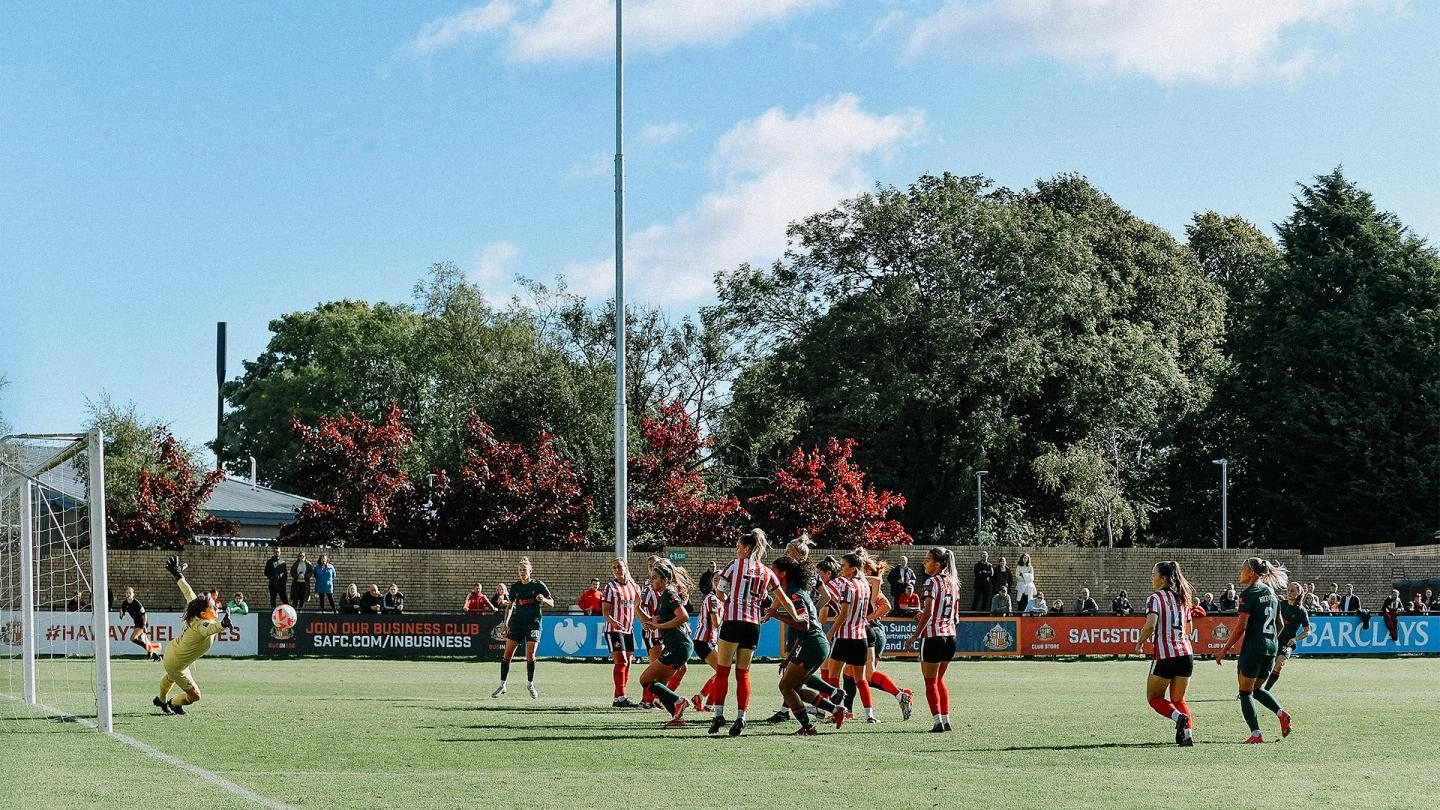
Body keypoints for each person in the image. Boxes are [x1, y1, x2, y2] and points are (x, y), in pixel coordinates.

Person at [707, 529, 801, 737]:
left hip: (733, 621)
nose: (736, 550)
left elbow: (720, 592)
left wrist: (730, 602)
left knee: (722, 671)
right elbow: (783, 598)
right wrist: (796, 617)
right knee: (743, 673)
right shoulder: (766, 571)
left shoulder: (734, 565)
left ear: (747, 549)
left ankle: (719, 714)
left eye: (739, 547)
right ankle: (741, 716)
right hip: (752, 625)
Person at [1215, 557, 1293, 743]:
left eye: (1243, 569)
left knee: (1245, 692)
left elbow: (1241, 626)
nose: (1240, 572)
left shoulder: (1249, 593)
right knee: (1256, 688)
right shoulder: (1272, 593)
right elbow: (1280, 624)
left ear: (1251, 573)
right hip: (1271, 648)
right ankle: (1282, 714)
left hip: (1253, 648)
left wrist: (1224, 649)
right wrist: (1269, 640)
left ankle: (1256, 734)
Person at [769, 554, 844, 736]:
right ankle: (835, 709)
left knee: (786, 687)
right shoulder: (794, 591)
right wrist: (788, 658)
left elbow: (804, 625)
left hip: (813, 644)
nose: (771, 574)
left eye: (773, 570)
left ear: (783, 574)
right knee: (795, 688)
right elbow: (801, 631)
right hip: (813, 643)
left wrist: (776, 615)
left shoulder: (794, 594)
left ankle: (808, 727)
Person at [154, 556, 232, 716]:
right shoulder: (202, 625)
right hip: (176, 663)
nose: (216, 608)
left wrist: (178, 574)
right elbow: (211, 629)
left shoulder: (196, 607)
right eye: (213, 607)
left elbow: (187, 591)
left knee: (171, 676)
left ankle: (161, 700)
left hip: (173, 653)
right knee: (195, 696)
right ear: (204, 614)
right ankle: (173, 704)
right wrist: (223, 625)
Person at [1136, 560, 1196, 747]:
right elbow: (1189, 629)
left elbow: (1151, 625)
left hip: (1165, 655)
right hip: (1186, 654)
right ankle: (1188, 735)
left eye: (1154, 575)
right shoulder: (1183, 598)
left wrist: (1139, 642)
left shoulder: (1155, 598)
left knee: (1154, 698)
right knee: (1178, 699)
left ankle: (1178, 717)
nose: (1152, 578)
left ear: (1162, 579)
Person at [905, 547, 960, 733]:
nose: (924, 562)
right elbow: (954, 615)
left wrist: (915, 636)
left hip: (933, 636)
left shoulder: (931, 582)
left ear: (937, 565)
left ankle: (937, 722)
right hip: (950, 636)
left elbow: (929, 612)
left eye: (928, 560)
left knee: (930, 681)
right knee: (939, 679)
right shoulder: (953, 583)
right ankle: (946, 720)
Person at [637, 560, 696, 728]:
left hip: (678, 645)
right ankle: (677, 718)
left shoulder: (669, 594)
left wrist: (660, 626)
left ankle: (679, 701)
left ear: (664, 580)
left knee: (645, 680)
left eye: (655, 578)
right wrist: (648, 619)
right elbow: (658, 620)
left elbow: (683, 616)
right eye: (651, 577)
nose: (651, 581)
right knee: (658, 684)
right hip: (675, 646)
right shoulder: (664, 596)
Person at [826, 552, 880, 724]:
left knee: (833, 676)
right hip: (861, 636)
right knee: (861, 679)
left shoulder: (848, 586)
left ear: (854, 568)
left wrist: (831, 632)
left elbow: (844, 614)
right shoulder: (864, 585)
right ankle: (870, 715)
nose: (841, 568)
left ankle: (836, 711)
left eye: (843, 566)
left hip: (844, 636)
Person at [861, 554, 913, 722]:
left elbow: (887, 606)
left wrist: (869, 618)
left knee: (866, 675)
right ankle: (901, 694)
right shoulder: (865, 586)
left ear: (866, 571)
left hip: (873, 632)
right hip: (873, 631)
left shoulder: (871, 587)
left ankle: (900, 694)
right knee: (859, 676)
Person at [494, 558, 553, 700]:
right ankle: (502, 684)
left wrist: (544, 599)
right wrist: (506, 624)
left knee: (530, 655)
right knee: (507, 654)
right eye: (520, 570)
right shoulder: (515, 587)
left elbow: (552, 602)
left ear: (530, 571)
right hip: (518, 623)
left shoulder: (538, 585)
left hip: (534, 623)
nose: (522, 572)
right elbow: (510, 606)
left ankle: (530, 684)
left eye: (524, 569)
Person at [602, 559, 642, 708]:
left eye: (619, 567)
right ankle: (620, 697)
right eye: (614, 568)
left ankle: (618, 697)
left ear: (626, 568)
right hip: (614, 630)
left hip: (628, 630)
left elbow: (637, 607)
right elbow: (605, 611)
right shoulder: (610, 587)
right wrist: (614, 622)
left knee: (629, 662)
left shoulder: (634, 587)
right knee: (622, 661)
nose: (617, 570)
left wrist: (646, 621)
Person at [689, 568, 723, 714]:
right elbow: (716, 622)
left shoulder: (719, 598)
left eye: (721, 580)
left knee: (722, 672)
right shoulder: (713, 599)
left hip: (708, 640)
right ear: (711, 583)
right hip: (704, 640)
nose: (718, 582)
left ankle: (704, 700)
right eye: (715, 580)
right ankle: (705, 701)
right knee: (722, 672)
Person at [1266, 582, 1311, 691]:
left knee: (1279, 665)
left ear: (1298, 593)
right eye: (1288, 590)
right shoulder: (1280, 604)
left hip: (1287, 643)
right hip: (1273, 640)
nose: (1289, 592)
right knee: (1263, 666)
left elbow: (1307, 631)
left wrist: (1295, 639)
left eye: (1292, 590)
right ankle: (1250, 689)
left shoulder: (1301, 611)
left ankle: (1265, 691)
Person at [118, 587, 161, 660]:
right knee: (142, 640)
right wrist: (121, 614)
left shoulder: (137, 603)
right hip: (136, 623)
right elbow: (121, 617)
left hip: (142, 622)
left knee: (133, 638)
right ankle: (156, 655)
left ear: (133, 594)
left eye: (130, 593)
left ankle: (151, 651)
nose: (128, 594)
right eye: (127, 593)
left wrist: (144, 625)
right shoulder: (124, 603)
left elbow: (144, 614)